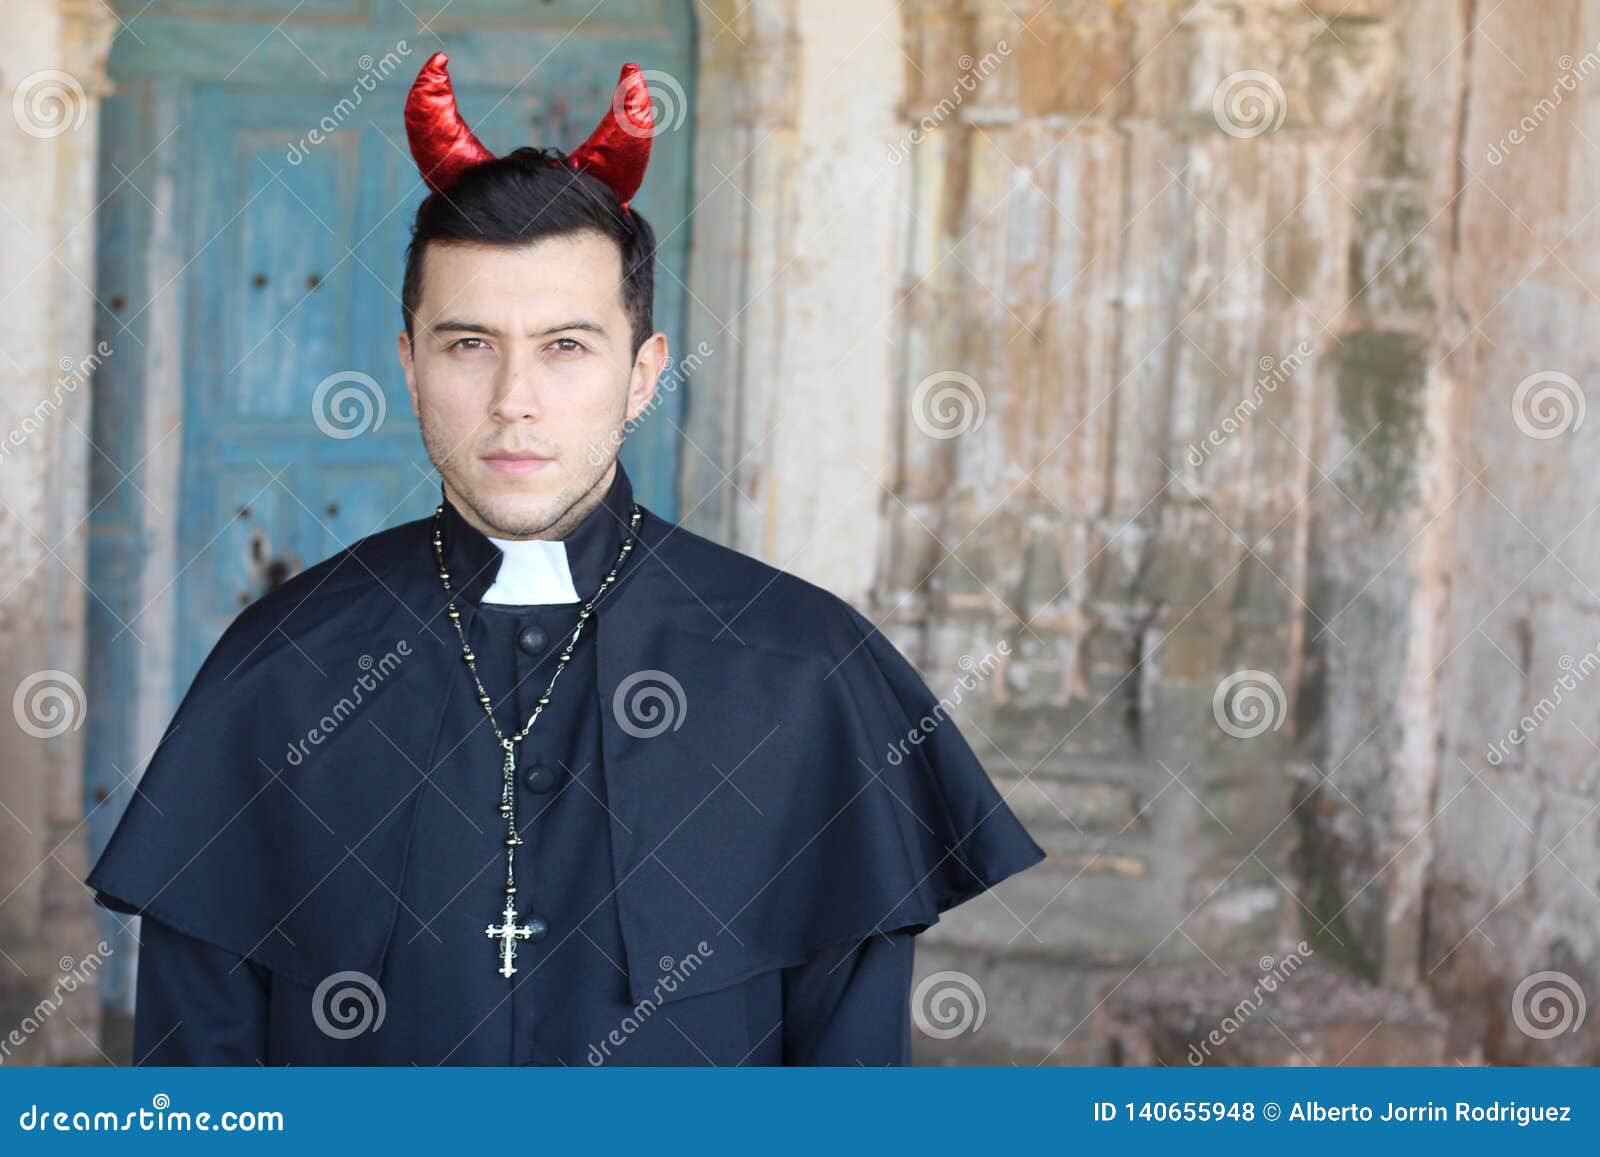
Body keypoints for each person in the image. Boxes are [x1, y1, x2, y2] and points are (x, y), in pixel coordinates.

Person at [86, 53, 1045, 1066]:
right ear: (409, 365)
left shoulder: (807, 673)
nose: (514, 400)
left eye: (566, 346)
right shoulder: (280, 668)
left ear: (642, 373)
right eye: (468, 344)